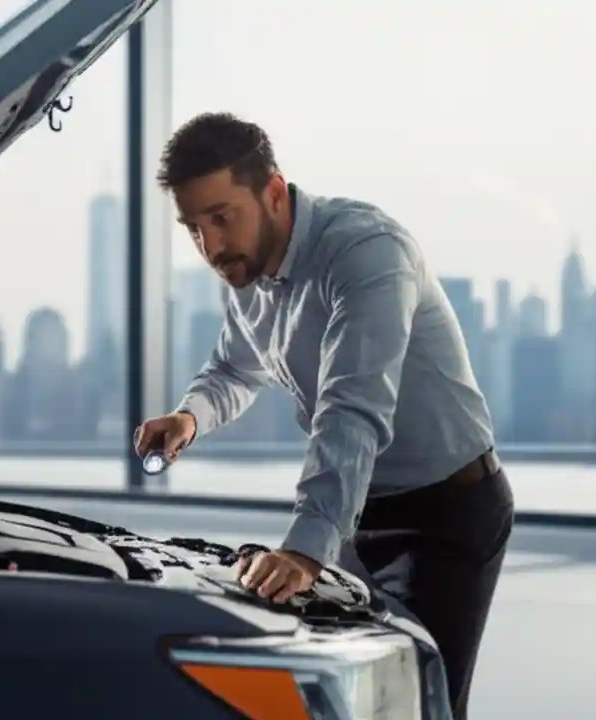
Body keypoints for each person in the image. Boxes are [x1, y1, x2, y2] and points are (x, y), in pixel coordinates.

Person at [133, 112, 514, 720]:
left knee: (417, 704)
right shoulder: (249, 274)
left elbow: (351, 408)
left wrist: (306, 550)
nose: (210, 247)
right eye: (193, 227)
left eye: (221, 218)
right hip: (360, 512)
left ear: (275, 193)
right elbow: (234, 369)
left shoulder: (366, 252)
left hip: (444, 516)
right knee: (348, 701)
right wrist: (190, 418)